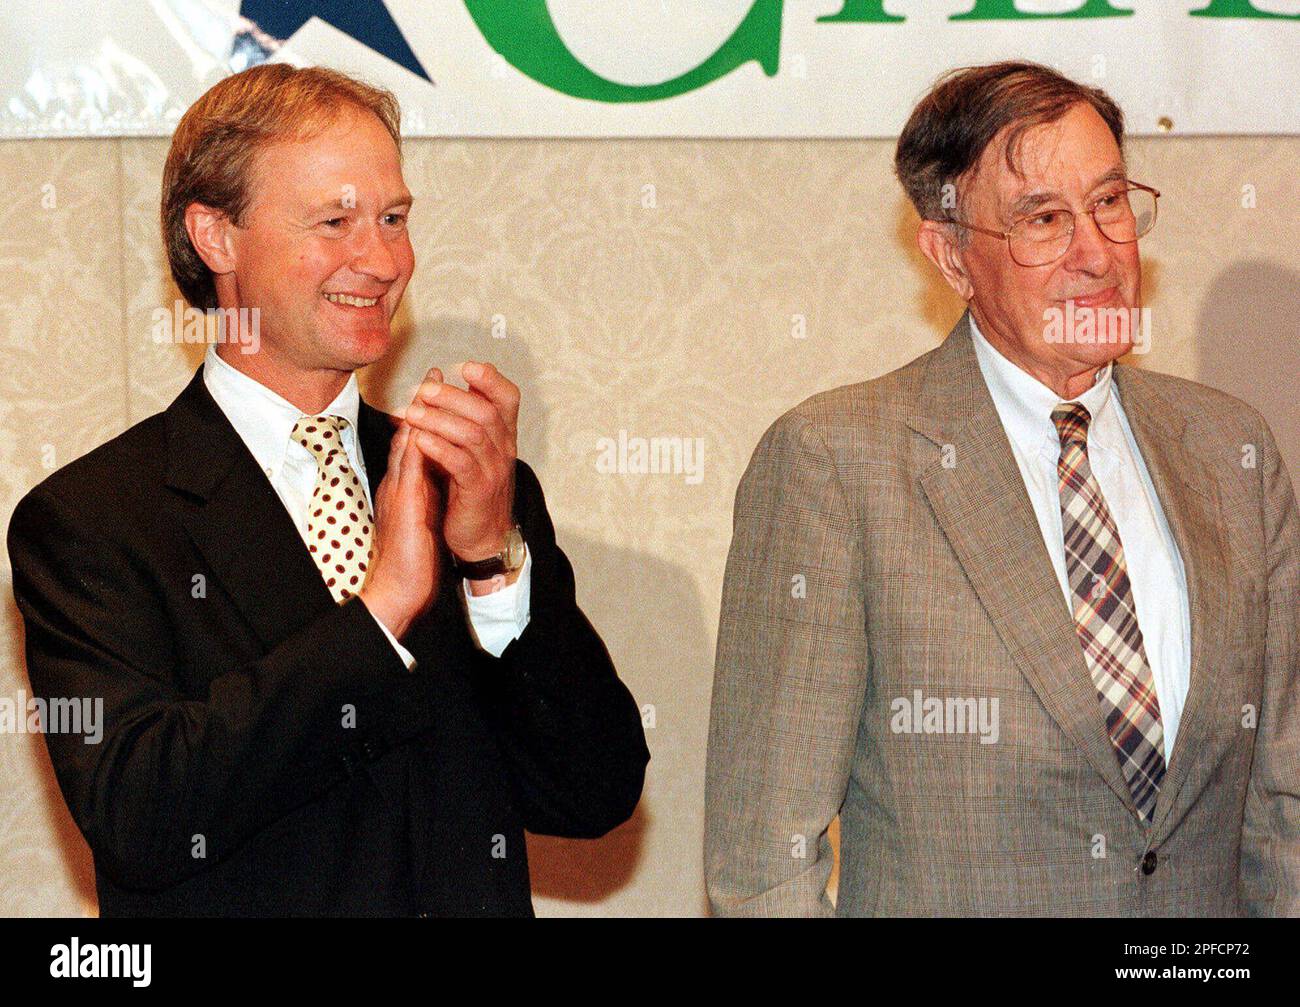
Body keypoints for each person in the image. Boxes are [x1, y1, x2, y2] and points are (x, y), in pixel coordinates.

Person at [7, 64, 648, 917]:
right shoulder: (94, 521)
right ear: (216, 236)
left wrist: (495, 565)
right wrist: (377, 615)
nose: (382, 260)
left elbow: (593, 792)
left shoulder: (468, 481)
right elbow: (143, 815)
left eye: (393, 218)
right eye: (335, 221)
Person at [705, 61, 1298, 916]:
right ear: (952, 256)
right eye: (1043, 219)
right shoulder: (837, 463)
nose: (1097, 251)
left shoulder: (1231, 451)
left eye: (1108, 202)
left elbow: (1285, 810)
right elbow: (766, 862)